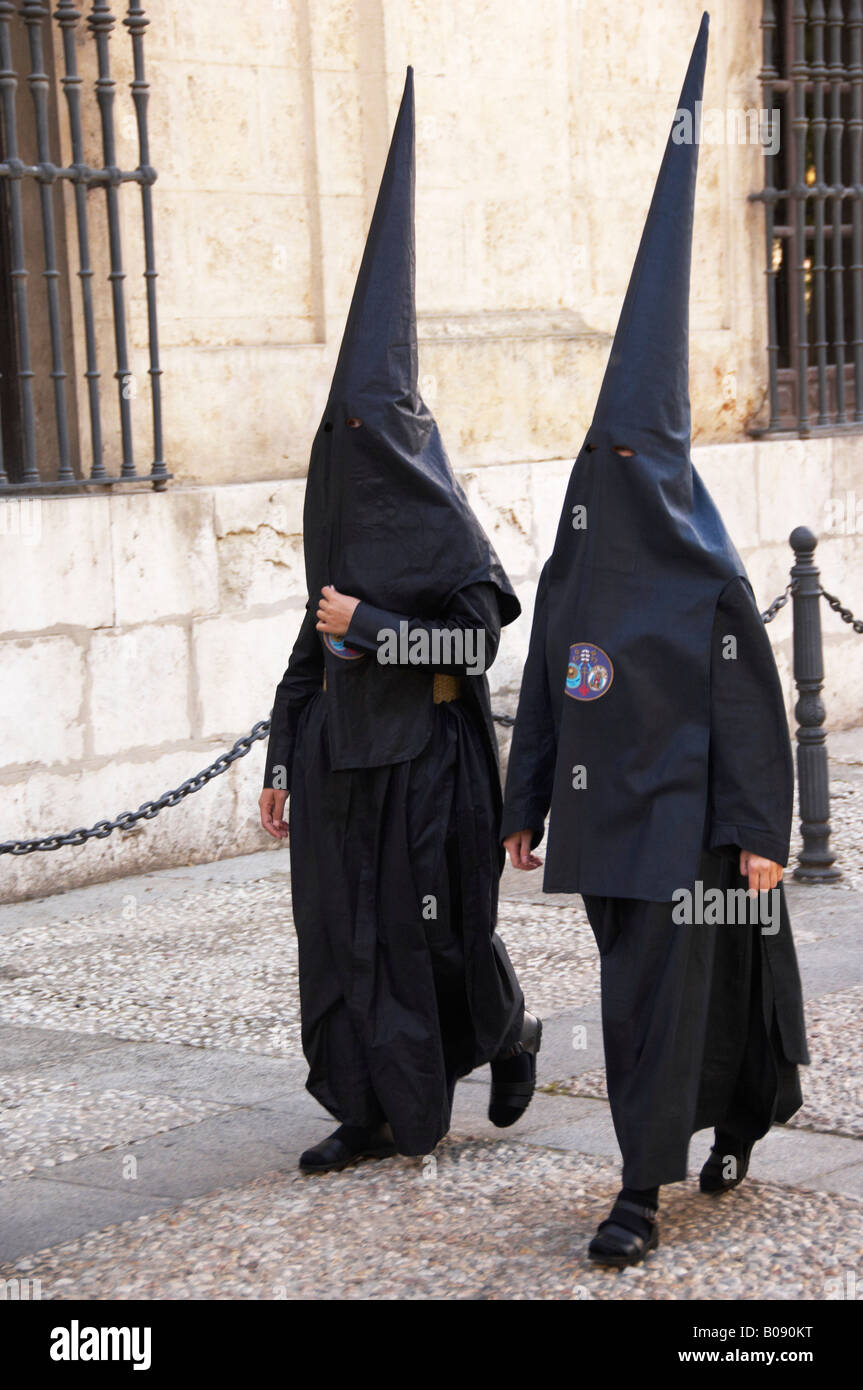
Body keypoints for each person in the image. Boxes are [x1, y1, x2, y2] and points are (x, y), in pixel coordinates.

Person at [501, 13, 808, 1267]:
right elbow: (542, 692)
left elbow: (748, 705)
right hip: (603, 830)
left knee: (662, 1001)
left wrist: (759, 837)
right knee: (678, 998)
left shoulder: (703, 574)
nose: (614, 480)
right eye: (601, 460)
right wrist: (522, 806)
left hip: (688, 831)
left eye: (633, 460)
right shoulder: (573, 572)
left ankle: (638, 1188)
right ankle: (736, 1113)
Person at [259, 68, 541, 1174]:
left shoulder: (445, 530)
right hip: (340, 761)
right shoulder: (337, 518)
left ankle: (507, 1028)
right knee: (341, 940)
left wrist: (374, 624)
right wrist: (281, 754)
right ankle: (367, 1110)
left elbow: (471, 645)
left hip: (426, 757)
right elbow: (305, 646)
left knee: (432, 935)